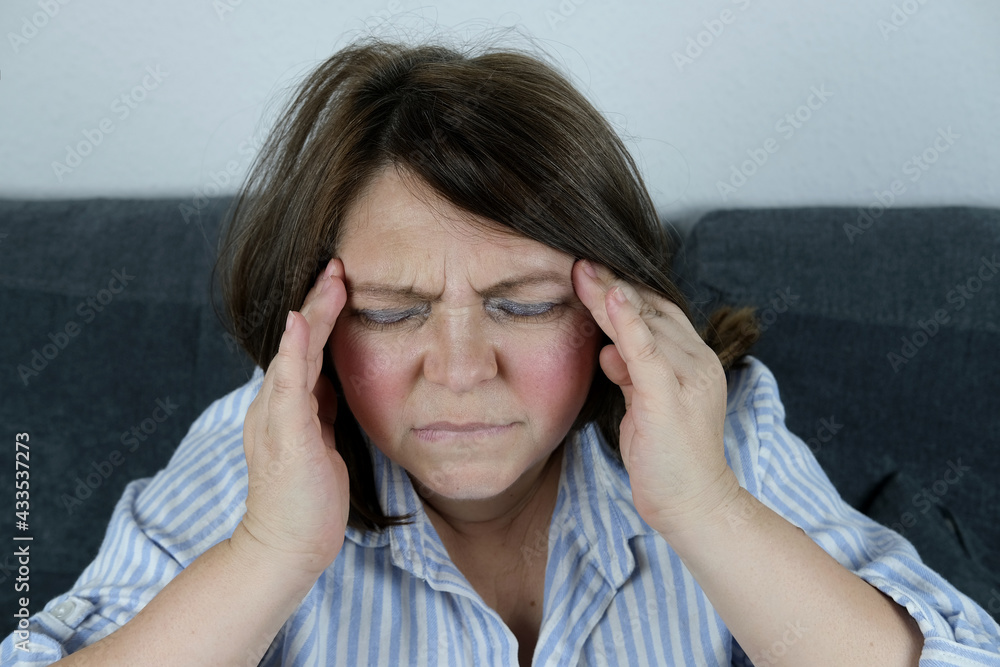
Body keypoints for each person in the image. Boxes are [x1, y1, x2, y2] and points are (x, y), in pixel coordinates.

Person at [4, 37, 999, 667]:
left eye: (520, 305)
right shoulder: (248, 453)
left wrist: (701, 506)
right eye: (393, 312)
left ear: (614, 313)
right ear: (312, 331)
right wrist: (269, 554)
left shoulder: (717, 427)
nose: (460, 365)